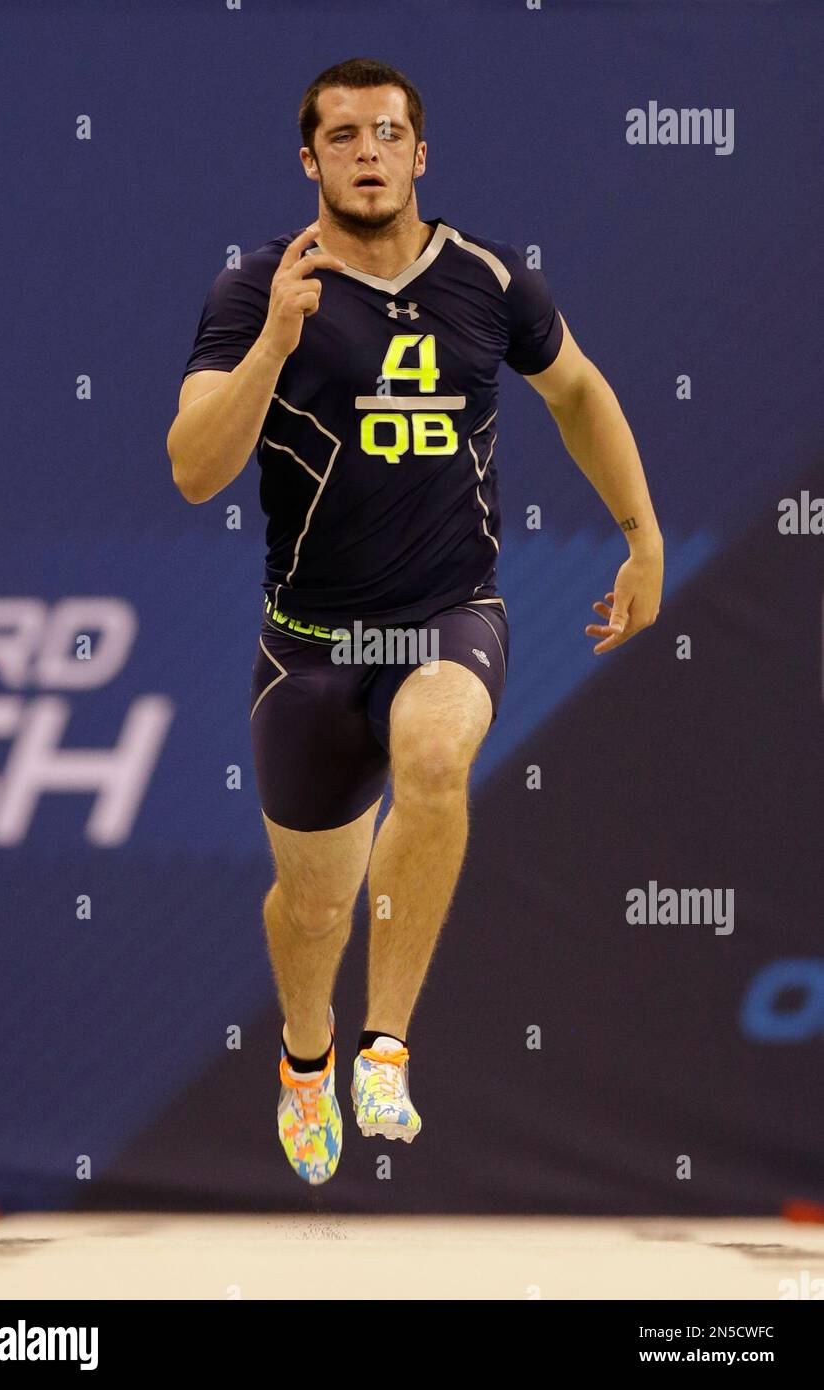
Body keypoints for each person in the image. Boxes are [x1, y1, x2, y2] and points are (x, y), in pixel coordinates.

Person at [167, 57, 663, 1185]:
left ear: (420, 152)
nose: (368, 153)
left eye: (388, 133)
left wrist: (641, 536)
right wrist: (271, 349)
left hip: (447, 611)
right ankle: (307, 1059)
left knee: (437, 757)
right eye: (342, 137)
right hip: (309, 642)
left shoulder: (486, 278)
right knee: (312, 905)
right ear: (310, 161)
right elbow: (195, 469)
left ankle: (384, 1047)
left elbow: (577, 388)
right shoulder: (256, 290)